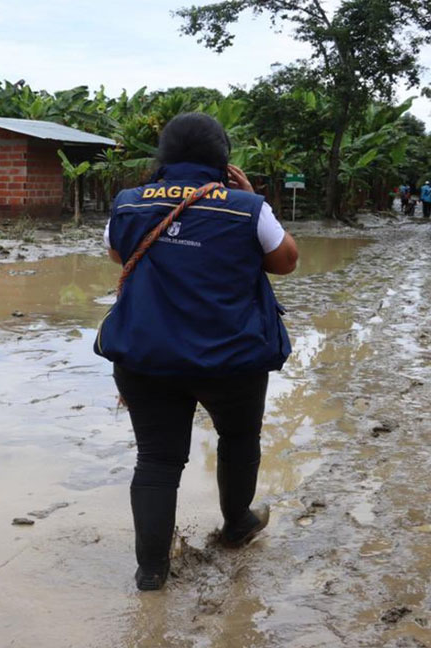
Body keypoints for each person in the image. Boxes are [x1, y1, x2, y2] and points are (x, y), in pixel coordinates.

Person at [96, 112, 299, 592]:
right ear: (222, 159)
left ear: (164, 156)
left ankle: (151, 572)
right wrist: (252, 197)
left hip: (146, 358)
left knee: (157, 460)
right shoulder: (246, 206)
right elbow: (286, 261)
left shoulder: (128, 203)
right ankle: (237, 526)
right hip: (232, 359)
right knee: (238, 439)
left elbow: (117, 253)